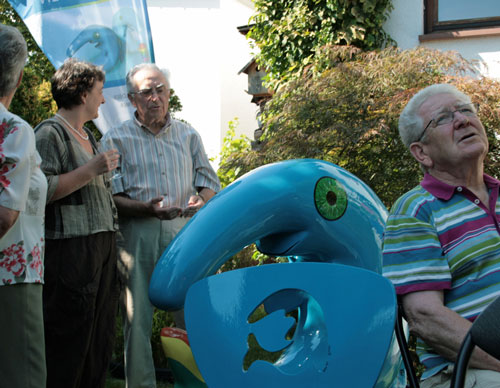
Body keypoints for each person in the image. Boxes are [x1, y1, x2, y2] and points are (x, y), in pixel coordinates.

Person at [100, 63, 220, 388]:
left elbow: (208, 181)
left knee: (192, 313)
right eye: (147, 92)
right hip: (137, 233)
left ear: (169, 93)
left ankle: (200, 381)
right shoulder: (115, 138)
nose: (155, 98)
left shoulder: (188, 134)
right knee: (136, 317)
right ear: (131, 99)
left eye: (161, 90)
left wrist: (202, 200)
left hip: (184, 235)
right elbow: (110, 195)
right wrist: (144, 209)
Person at [382, 83, 500, 387]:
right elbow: (426, 317)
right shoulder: (416, 209)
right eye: (443, 118)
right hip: (468, 370)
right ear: (422, 153)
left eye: (465, 110)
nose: (462, 120)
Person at [35, 58, 121, 388]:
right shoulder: (49, 133)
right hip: (69, 251)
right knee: (68, 338)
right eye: (99, 92)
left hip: (101, 247)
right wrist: (91, 170)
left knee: (97, 338)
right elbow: (39, 192)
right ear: (83, 93)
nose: (102, 99)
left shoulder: (89, 135)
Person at [0, 24, 48, 388]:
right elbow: (5, 214)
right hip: (13, 273)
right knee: (24, 377)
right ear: (16, 77)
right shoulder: (14, 129)